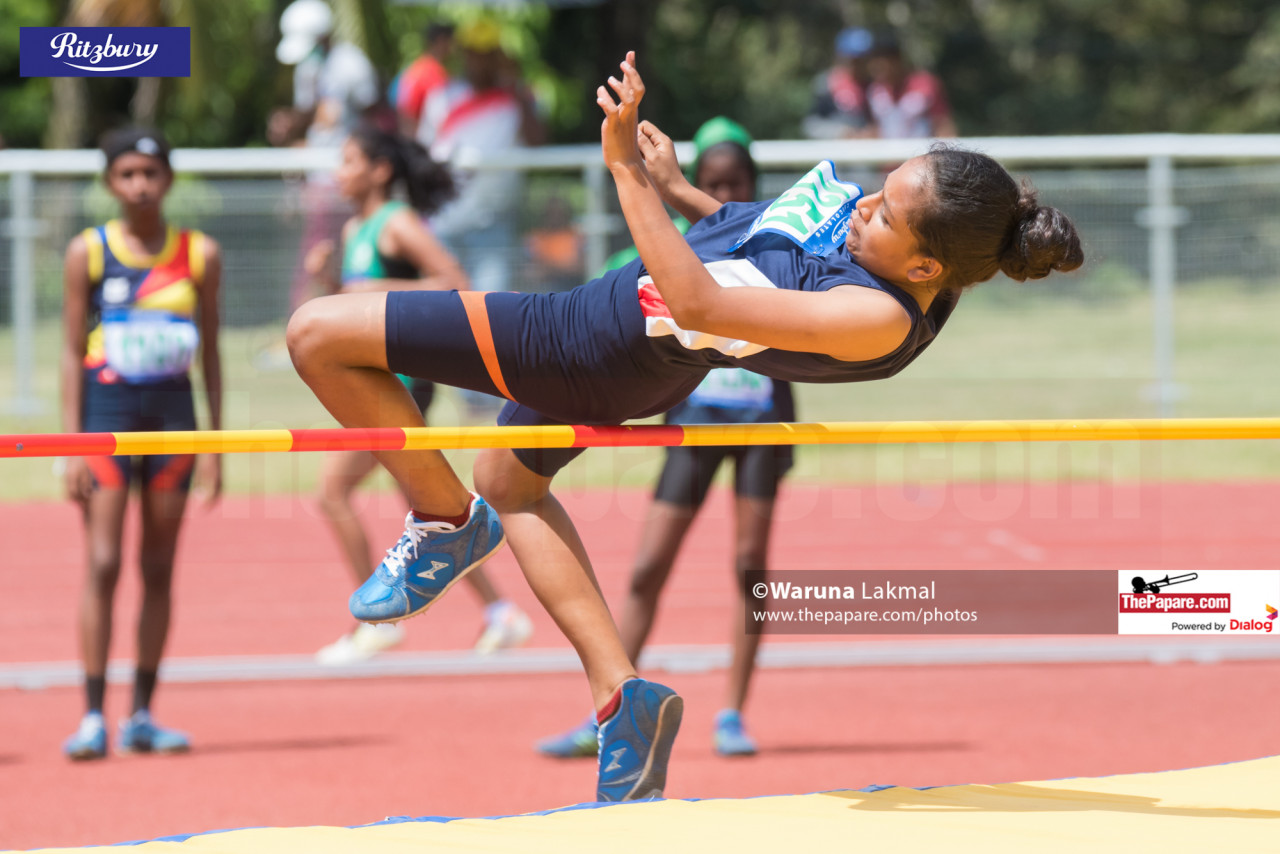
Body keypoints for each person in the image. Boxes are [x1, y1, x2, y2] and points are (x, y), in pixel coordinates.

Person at [286, 52, 1083, 801]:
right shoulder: (869, 251)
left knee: (317, 335)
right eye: (880, 187)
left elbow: (703, 303)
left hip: (587, 343)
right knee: (510, 484)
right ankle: (620, 698)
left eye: (886, 217)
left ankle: (443, 521)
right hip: (619, 335)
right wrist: (677, 189)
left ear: (923, 269)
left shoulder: (875, 316)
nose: (866, 206)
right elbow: (769, 253)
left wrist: (624, 167)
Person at [537, 118, 790, 759]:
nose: (724, 193)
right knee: (648, 565)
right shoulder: (674, 249)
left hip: (764, 425)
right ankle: (610, 706)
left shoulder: (777, 242)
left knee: (749, 569)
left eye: (735, 184)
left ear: (754, 186)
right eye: (713, 183)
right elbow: (613, 299)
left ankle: (733, 713)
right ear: (692, 184)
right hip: (696, 426)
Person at [302, 125, 533, 664]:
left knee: (334, 493)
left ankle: (375, 625)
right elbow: (347, 314)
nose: (339, 172)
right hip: (372, 381)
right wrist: (329, 280)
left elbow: (454, 281)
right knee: (433, 512)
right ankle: (502, 612)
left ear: (380, 170)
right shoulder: (355, 230)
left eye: (350, 160)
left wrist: (371, 289)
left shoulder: (396, 223)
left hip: (401, 385)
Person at [60, 128, 223, 760]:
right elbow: (71, 354)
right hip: (107, 412)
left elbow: (211, 351)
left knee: (158, 566)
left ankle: (144, 714)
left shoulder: (199, 253)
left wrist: (215, 441)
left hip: (174, 416)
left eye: (151, 173)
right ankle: (93, 716)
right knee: (103, 562)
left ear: (169, 180)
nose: (140, 185)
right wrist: (71, 444)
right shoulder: (89, 252)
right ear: (110, 182)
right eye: (127, 173)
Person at [865, 31, 958, 139]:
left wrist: (946, 152)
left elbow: (943, 124)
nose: (874, 68)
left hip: (923, 151)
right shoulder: (875, 91)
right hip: (888, 154)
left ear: (896, 60)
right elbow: (877, 128)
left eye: (880, 62)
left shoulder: (925, 84)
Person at [803, 27, 876, 140]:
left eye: (863, 59)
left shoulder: (876, 85)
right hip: (835, 151)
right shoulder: (826, 84)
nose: (858, 64)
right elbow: (811, 125)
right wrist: (841, 133)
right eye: (852, 59)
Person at [394, 23, 455, 138]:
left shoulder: (418, 67)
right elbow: (407, 113)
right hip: (425, 140)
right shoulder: (430, 72)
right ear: (441, 40)